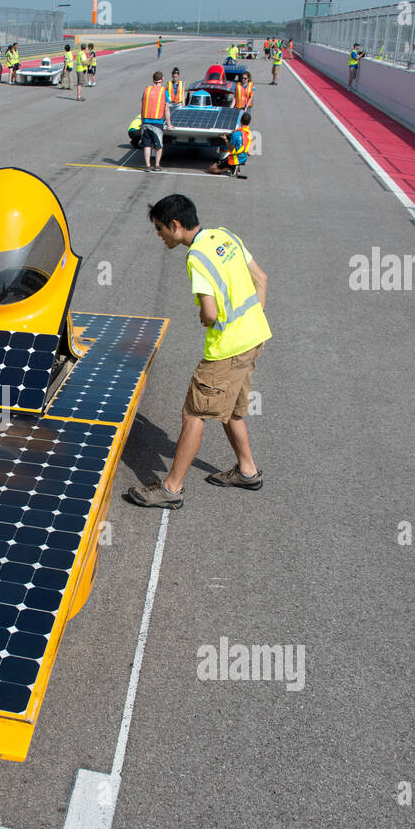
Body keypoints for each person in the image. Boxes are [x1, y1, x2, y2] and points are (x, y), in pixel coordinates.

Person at [125, 194, 271, 509]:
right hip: (254, 338)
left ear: (176, 225)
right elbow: (261, 278)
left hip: (228, 349)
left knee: (193, 413)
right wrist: (251, 321)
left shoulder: (197, 258)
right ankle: (247, 471)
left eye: (161, 228)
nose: (159, 235)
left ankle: (171, 489)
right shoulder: (225, 236)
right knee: (230, 409)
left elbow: (210, 312)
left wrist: (207, 319)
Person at [139, 71, 171, 172]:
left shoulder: (146, 90)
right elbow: (166, 109)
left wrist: (142, 121)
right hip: (157, 122)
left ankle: (148, 166)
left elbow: (142, 106)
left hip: (145, 122)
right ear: (162, 80)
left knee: (147, 145)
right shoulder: (164, 91)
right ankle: (157, 165)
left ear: (153, 80)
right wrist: (169, 124)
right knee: (158, 146)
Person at [208, 112, 251, 176]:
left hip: (235, 158)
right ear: (249, 123)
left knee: (211, 169)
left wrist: (225, 139)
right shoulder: (248, 133)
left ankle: (230, 167)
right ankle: (238, 164)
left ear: (240, 120)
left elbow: (231, 149)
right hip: (244, 156)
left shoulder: (236, 134)